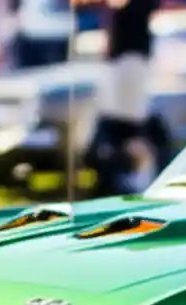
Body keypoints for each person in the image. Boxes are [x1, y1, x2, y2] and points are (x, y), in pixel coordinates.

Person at [76, 0, 157, 196]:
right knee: (114, 126)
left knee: (130, 128)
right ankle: (120, 176)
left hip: (131, 62)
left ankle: (142, 179)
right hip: (117, 63)